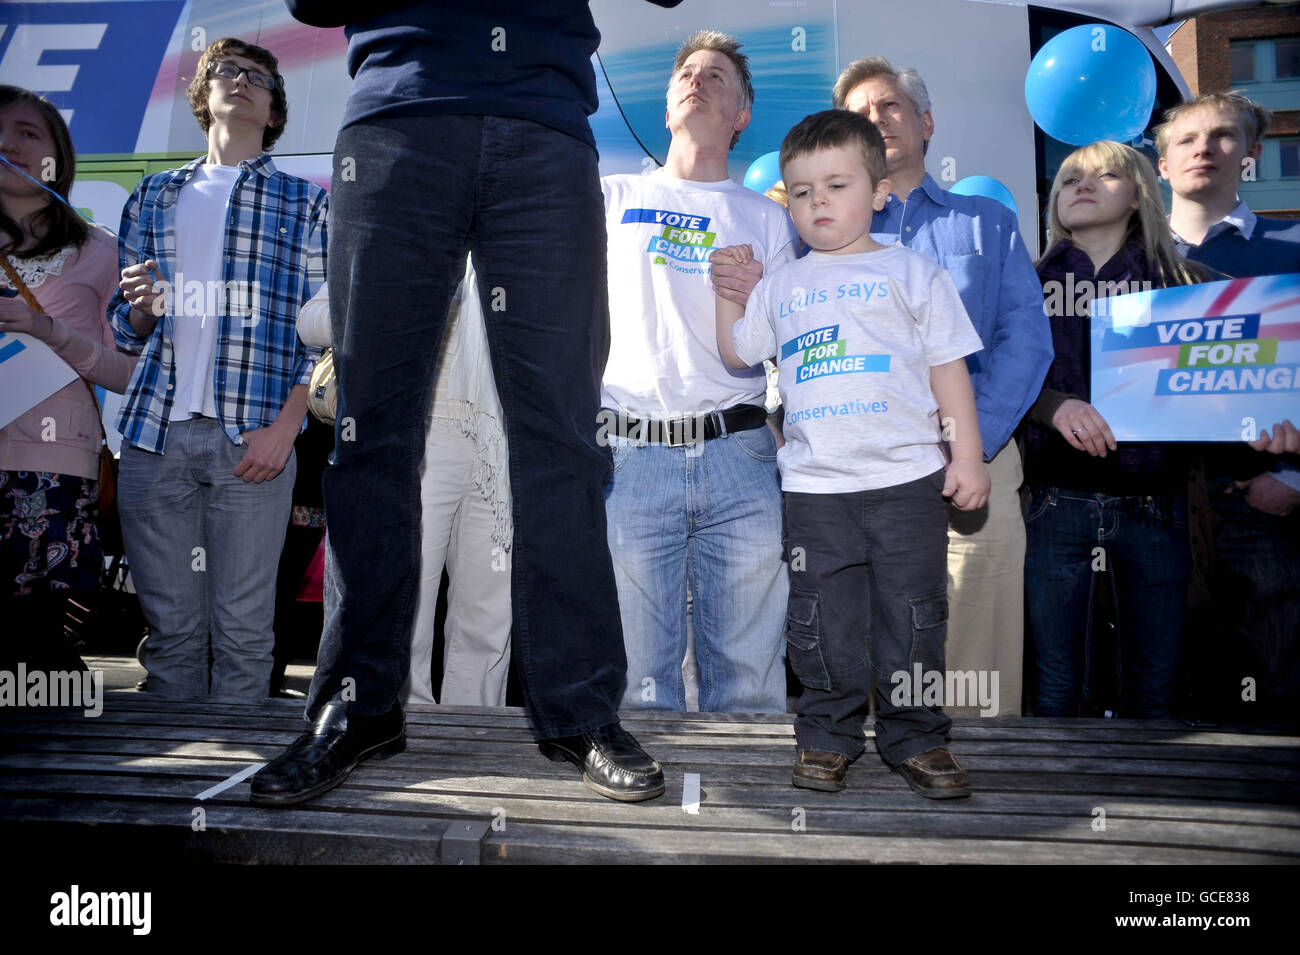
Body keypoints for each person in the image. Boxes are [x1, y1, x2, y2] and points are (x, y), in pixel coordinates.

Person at [252, 0, 678, 807]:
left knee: (562, 438)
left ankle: (579, 708)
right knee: (371, 431)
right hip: (397, 117)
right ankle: (359, 702)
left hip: (545, 125)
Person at [714, 109, 987, 797]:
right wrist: (726, 291)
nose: (818, 203)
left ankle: (918, 736)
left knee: (914, 615)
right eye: (801, 191)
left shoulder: (914, 271)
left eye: (836, 185)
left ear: (879, 191)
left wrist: (968, 459)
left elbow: (949, 371)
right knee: (819, 623)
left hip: (908, 483)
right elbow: (736, 351)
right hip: (815, 492)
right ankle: (826, 736)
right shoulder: (780, 286)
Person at [832, 57, 1054, 717]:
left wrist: (967, 444)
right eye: (859, 114)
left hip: (974, 464)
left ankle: (984, 803)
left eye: (890, 106)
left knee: (976, 663)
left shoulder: (986, 222)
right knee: (870, 652)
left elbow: (1026, 341)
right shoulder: (820, 235)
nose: (876, 120)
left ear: (925, 123)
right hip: (859, 471)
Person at [108, 38, 328, 701]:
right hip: (154, 437)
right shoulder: (153, 195)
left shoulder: (306, 202)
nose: (242, 82)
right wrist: (144, 310)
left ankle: (232, 802)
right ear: (205, 95)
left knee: (244, 636)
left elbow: (327, 335)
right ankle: (172, 794)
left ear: (274, 110)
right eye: (228, 71)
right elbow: (124, 326)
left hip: (255, 437)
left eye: (259, 77)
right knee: (170, 637)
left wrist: (287, 428)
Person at [601, 30, 799, 715]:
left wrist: (751, 300)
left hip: (740, 456)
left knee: (748, 678)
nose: (697, 80)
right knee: (639, 681)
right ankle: (655, 818)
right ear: (665, 108)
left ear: (741, 115)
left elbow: (787, 348)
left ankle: (750, 821)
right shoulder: (609, 197)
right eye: (687, 72)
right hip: (630, 457)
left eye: (716, 77)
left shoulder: (769, 219)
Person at [1023, 141, 1214, 718]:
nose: (1081, 184)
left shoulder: (1189, 285)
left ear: (1138, 195)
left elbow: (1222, 392)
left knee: (1156, 685)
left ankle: (1148, 807)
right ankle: (1061, 799)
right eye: (1069, 178)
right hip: (1055, 500)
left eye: (1105, 175)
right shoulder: (1024, 286)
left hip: (1157, 503)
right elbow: (993, 381)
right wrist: (1053, 404)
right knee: (1056, 685)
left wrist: (1260, 421)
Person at [296, 261, 513, 708]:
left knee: (490, 616)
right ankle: (401, 726)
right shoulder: (413, 230)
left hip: (501, 444)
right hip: (420, 432)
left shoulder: (517, 235)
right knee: (405, 605)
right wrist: (392, 300)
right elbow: (310, 321)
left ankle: (473, 733)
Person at [1154, 91, 1300, 725]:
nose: (1203, 150)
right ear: (1160, 165)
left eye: (1221, 137)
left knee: (1277, 681)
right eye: (1185, 140)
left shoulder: (1292, 249)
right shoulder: (1126, 261)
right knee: (1158, 681)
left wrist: (1295, 477)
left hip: (1258, 500)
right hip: (1149, 504)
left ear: (1251, 155)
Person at [0, 86, 136, 672]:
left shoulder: (101, 251)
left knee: (41, 655)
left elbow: (130, 372)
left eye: (28, 132)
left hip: (53, 467)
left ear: (59, 155)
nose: (8, 143)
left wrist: (43, 327)